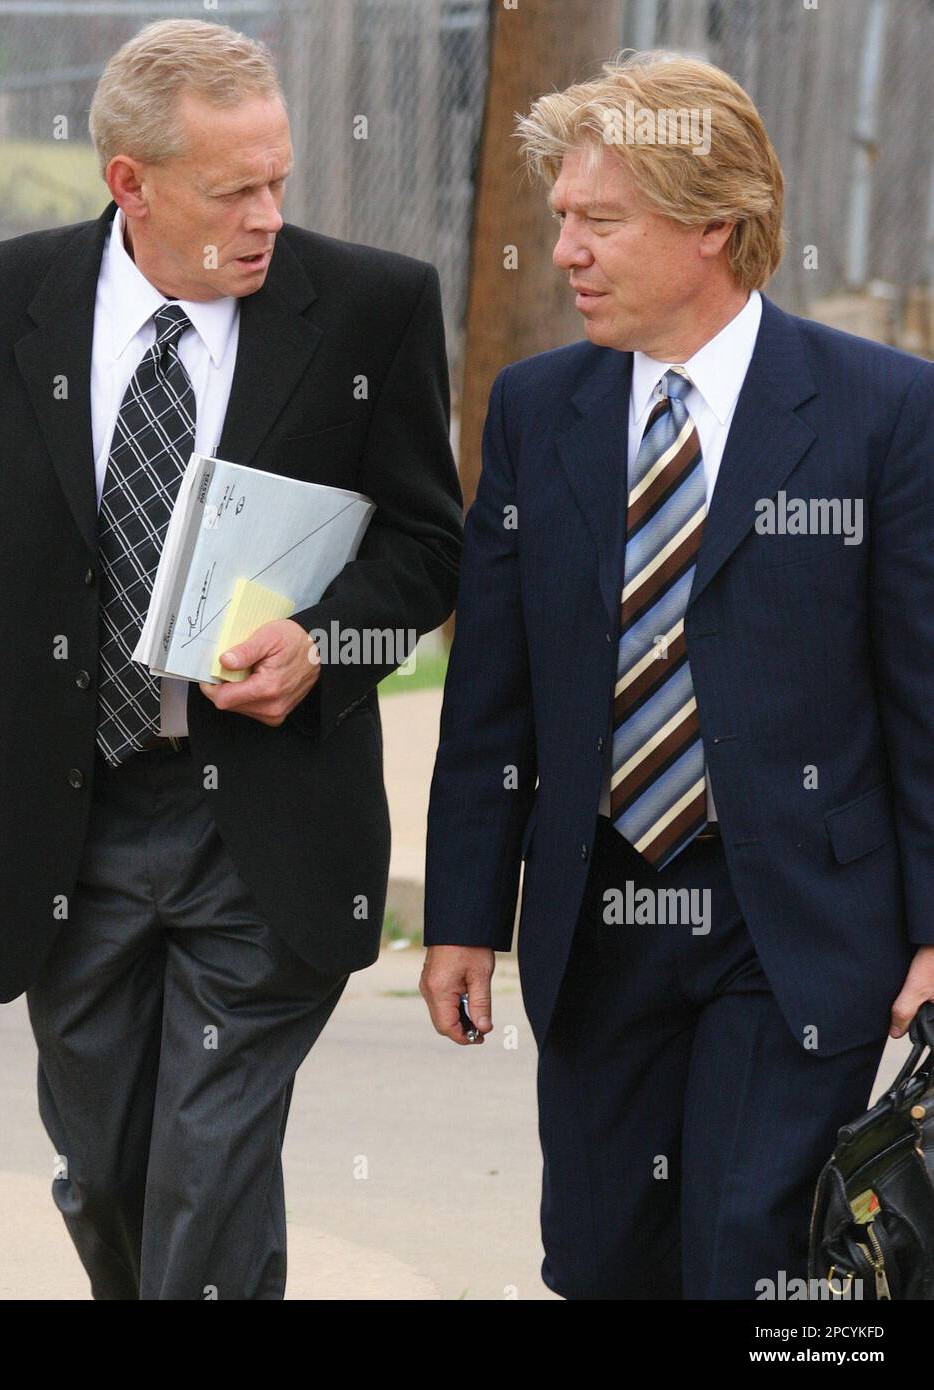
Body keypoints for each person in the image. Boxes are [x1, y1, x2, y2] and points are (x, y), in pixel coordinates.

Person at [0, 18, 462, 1300]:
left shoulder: (372, 308)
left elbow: (428, 553)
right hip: (64, 824)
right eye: (236, 188)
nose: (270, 212)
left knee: (207, 1168)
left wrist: (327, 649)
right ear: (130, 180)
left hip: (263, 819)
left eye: (280, 176)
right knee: (106, 1172)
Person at [420, 51, 934, 1299]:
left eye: (602, 222)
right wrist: (464, 913)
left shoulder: (881, 410)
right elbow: (494, 688)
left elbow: (924, 696)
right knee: (599, 1262)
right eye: (560, 222)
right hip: (601, 924)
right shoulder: (540, 411)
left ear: (715, 223)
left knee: (750, 1258)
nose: (567, 254)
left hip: (798, 928)